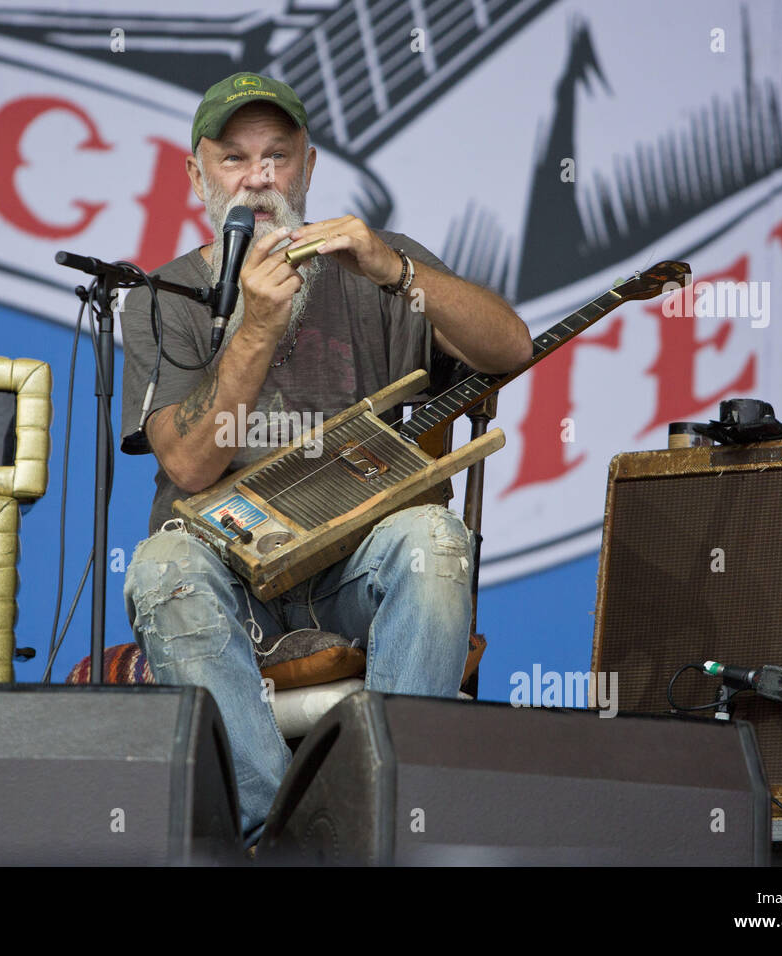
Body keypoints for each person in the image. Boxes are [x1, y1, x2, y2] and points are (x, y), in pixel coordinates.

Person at [119, 72, 532, 846]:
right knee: (159, 569)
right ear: (196, 172)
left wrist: (394, 270)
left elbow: (511, 348)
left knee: (435, 542)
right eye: (234, 158)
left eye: (278, 156)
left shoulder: (379, 267)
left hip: (353, 573)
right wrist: (258, 327)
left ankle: (386, 823)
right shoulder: (164, 294)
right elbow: (190, 467)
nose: (259, 177)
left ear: (308, 168)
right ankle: (286, 836)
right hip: (230, 581)